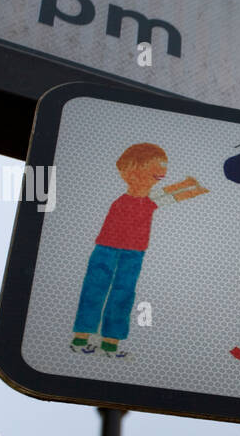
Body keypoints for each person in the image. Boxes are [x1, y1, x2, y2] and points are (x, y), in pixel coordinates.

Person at [70, 142, 173, 358]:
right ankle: (81, 336)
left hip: (134, 253)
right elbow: (172, 193)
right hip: (106, 249)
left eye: (156, 177)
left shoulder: (150, 201)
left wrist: (193, 186)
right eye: (150, 175)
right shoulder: (122, 202)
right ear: (128, 173)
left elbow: (174, 193)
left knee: (124, 292)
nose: (150, 182)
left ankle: (110, 342)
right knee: (94, 288)